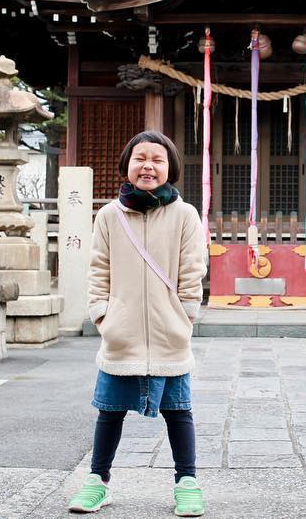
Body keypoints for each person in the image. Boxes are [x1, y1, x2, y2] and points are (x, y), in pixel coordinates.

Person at [68, 131, 206, 516]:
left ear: (171, 168)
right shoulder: (110, 215)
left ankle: (187, 482)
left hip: (169, 330)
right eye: (140, 158)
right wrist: (102, 314)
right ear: (127, 165)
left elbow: (193, 269)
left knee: (179, 411)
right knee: (109, 410)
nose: (148, 166)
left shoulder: (184, 214)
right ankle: (98, 481)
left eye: (157, 159)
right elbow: (98, 268)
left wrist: (186, 313)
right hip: (121, 331)